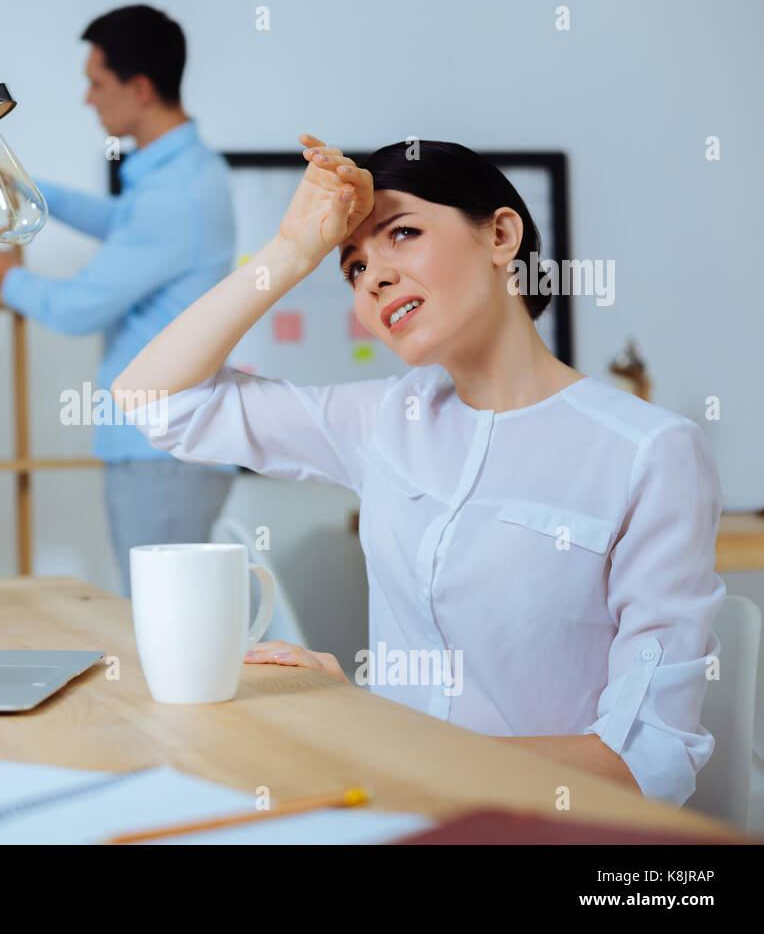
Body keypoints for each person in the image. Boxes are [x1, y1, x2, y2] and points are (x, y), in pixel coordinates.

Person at [112, 135, 724, 807]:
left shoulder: (649, 451)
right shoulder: (382, 420)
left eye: (402, 233)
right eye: (351, 267)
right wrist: (289, 252)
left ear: (500, 234)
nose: (372, 277)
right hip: (387, 803)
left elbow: (649, 758)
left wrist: (391, 744)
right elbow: (153, 400)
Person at [0, 4, 237, 597]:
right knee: (159, 625)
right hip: (162, 450)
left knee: (159, 626)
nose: (87, 99)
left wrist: (1, 274)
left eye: (96, 83)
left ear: (138, 88)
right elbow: (121, 221)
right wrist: (29, 190)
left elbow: (79, 308)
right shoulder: (176, 177)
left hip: (162, 451)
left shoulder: (174, 196)